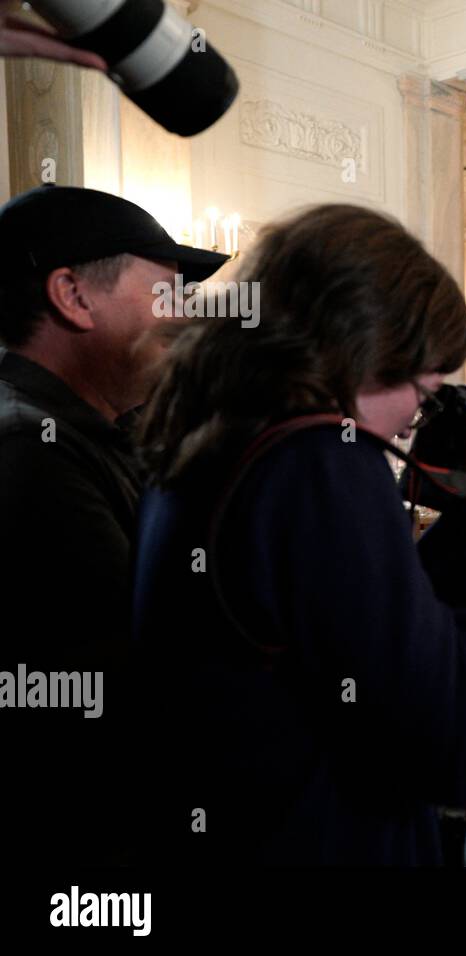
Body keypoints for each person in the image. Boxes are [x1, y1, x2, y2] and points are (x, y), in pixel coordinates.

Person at [130, 203, 466, 865]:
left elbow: (365, 639)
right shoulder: (318, 460)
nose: (407, 425)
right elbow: (453, 747)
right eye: (423, 394)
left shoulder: (217, 436)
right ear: (362, 350)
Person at [0, 185, 227, 865]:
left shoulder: (90, 429)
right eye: (166, 294)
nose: (184, 317)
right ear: (73, 295)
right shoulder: (30, 454)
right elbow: (158, 687)